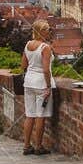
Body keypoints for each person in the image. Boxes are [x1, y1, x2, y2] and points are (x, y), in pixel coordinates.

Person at [21, 19, 54, 156]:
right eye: (47, 29)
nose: (49, 31)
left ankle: (26, 145)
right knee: (41, 116)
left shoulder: (28, 45)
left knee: (30, 115)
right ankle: (38, 146)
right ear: (41, 31)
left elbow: (23, 65)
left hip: (29, 82)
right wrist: (48, 86)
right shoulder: (45, 47)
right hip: (41, 83)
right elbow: (46, 70)